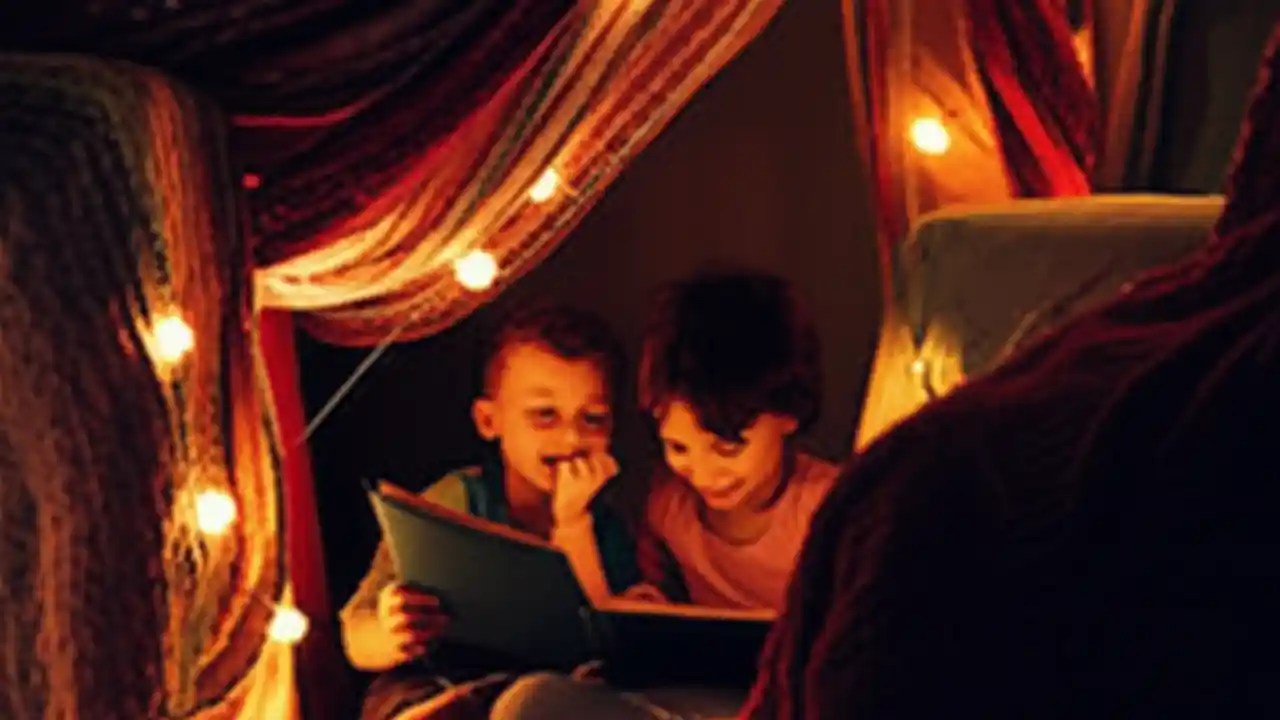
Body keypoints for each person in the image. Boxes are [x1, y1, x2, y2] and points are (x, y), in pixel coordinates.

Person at [490, 270, 841, 720]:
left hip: (797, 703)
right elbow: (608, 631)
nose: (705, 474)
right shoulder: (669, 507)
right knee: (531, 702)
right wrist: (575, 524)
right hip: (691, 700)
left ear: (789, 416)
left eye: (727, 449)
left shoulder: (831, 507)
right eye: (678, 448)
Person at [338, 303, 641, 720]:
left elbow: (601, 644)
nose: (571, 438)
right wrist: (391, 631)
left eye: (592, 419)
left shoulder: (607, 527)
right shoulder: (455, 500)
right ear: (488, 421)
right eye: (545, 415)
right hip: (442, 681)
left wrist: (574, 522)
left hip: (544, 693)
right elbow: (355, 629)